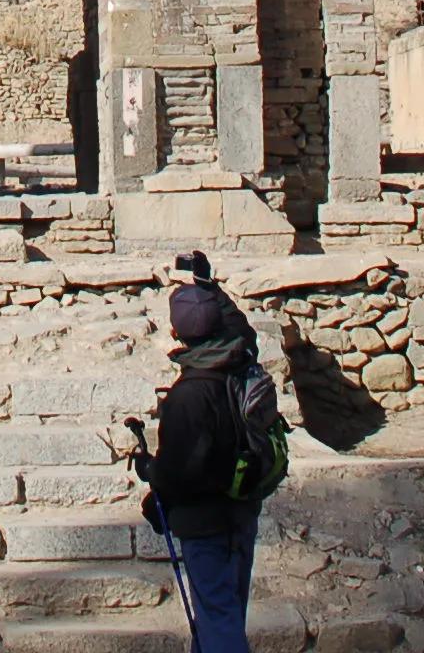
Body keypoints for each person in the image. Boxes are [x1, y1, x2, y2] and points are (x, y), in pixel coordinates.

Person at [131, 256, 265, 652]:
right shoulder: (241, 362)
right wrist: (209, 287)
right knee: (223, 613)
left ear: (176, 333)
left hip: (206, 525)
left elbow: (180, 472)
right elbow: (243, 328)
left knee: (219, 621)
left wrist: (149, 470)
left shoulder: (187, 396)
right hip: (241, 512)